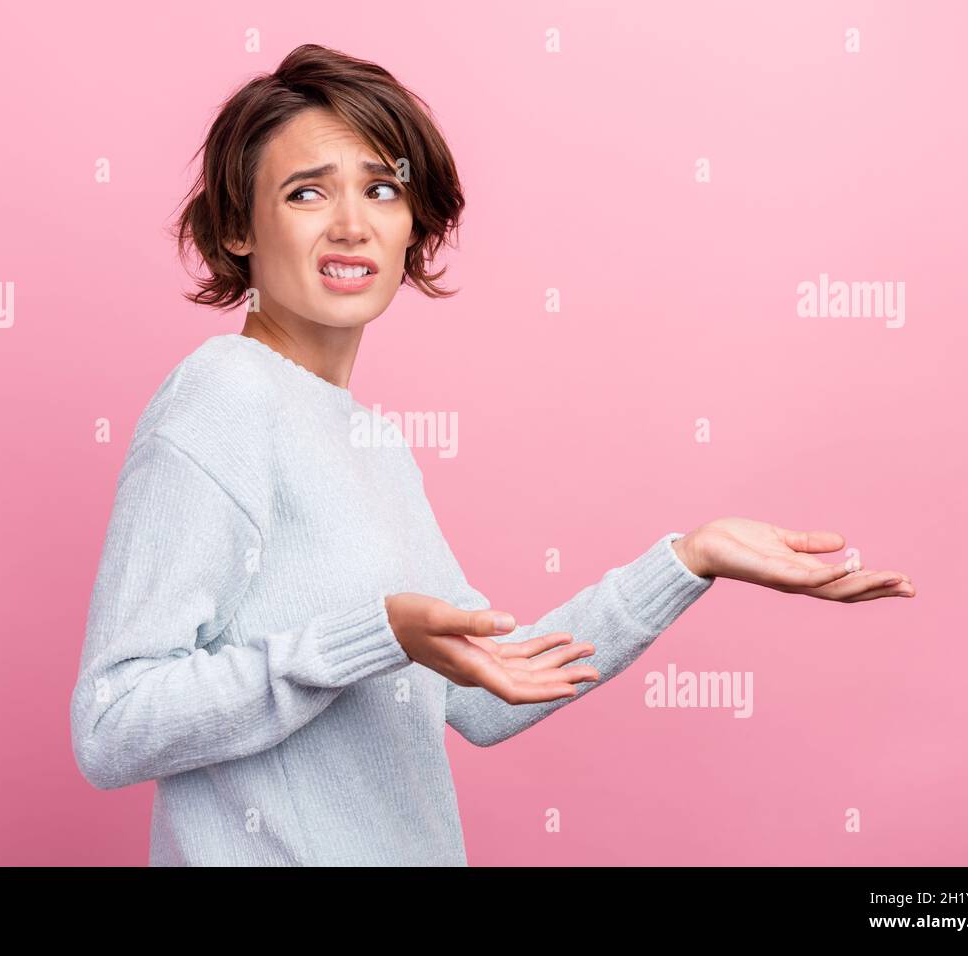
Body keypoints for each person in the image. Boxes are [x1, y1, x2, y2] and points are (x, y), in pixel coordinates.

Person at [69, 43, 915, 866]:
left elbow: (482, 690)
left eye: (382, 188)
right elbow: (113, 725)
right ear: (235, 227)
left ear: (415, 224)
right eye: (304, 193)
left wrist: (689, 560)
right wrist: (373, 636)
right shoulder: (223, 396)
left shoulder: (372, 443)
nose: (352, 224)